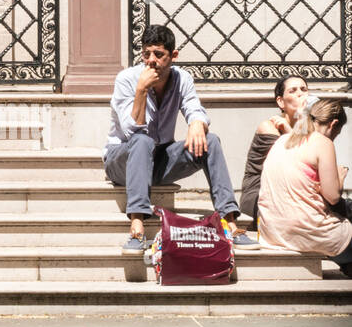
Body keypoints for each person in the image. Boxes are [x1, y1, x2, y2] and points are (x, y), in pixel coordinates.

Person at [103, 24, 256, 251]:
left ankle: (230, 223)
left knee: (210, 140)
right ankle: (137, 228)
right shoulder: (127, 79)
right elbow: (131, 130)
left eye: (159, 54)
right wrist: (141, 91)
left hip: (158, 159)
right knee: (142, 140)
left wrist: (197, 123)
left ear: (173, 55)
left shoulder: (182, 78)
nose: (151, 60)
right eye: (146, 54)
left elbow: (194, 107)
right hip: (122, 161)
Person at [258, 99, 352, 278]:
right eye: (337, 133)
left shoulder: (282, 141)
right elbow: (332, 197)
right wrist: (339, 179)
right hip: (306, 230)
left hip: (272, 232)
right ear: (334, 124)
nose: (334, 137)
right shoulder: (322, 143)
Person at [239, 75, 308, 229]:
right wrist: (290, 130)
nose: (300, 94)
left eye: (304, 89)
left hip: (291, 195)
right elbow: (295, 161)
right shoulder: (269, 127)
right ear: (281, 102)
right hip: (260, 197)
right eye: (293, 90)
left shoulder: (308, 128)